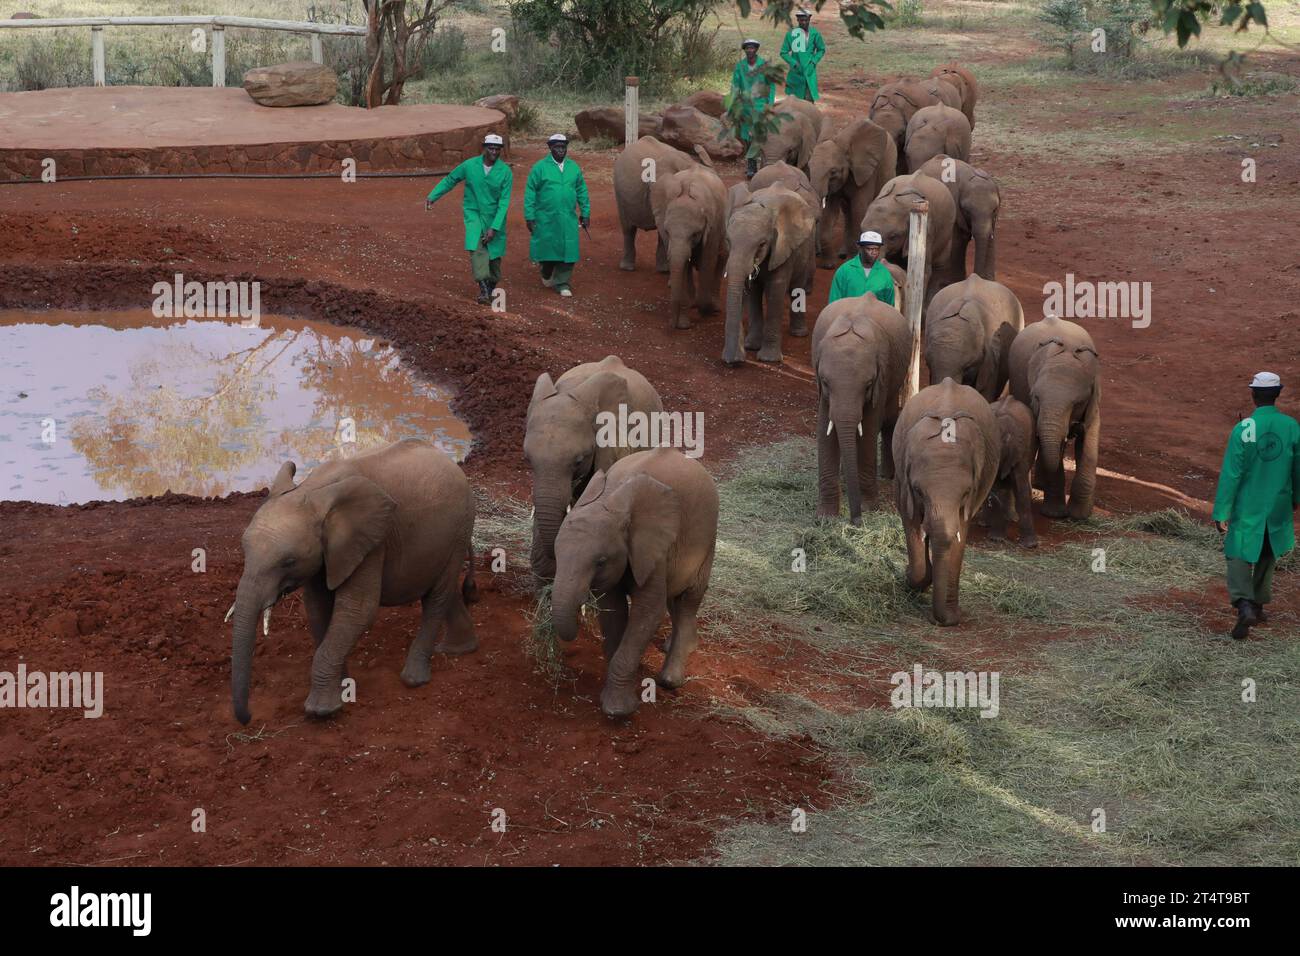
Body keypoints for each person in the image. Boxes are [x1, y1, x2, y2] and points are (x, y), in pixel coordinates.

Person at [1212, 372, 1300, 639]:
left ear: (1253, 395)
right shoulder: (1291, 426)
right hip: (1278, 502)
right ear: (1277, 394)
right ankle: (1259, 604)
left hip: (1248, 505)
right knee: (1267, 550)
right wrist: (1295, 499)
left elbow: (1232, 474)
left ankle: (1244, 603)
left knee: (1237, 550)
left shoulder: (1243, 428)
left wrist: (1222, 511)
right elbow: (1298, 469)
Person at [425, 133, 512, 305]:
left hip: (495, 217)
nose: (494, 151)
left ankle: (491, 285)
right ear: (484, 148)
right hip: (474, 214)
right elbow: (451, 179)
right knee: (476, 249)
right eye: (491, 148)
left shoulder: (505, 172)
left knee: (494, 258)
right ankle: (484, 292)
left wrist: (494, 228)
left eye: (497, 149)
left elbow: (504, 202)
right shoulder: (470, 165)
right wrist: (433, 196)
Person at [523, 133, 590, 298]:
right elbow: (530, 192)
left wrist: (585, 212)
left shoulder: (573, 167)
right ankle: (546, 270)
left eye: (563, 147)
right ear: (550, 148)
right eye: (557, 147)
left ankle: (562, 283)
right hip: (546, 217)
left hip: (568, 216)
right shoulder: (539, 168)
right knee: (547, 247)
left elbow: (582, 191)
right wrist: (529, 216)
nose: (561, 150)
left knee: (569, 248)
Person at [731, 39, 774, 180]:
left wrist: (770, 103)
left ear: (756, 49)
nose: (750, 50)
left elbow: (771, 86)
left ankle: (752, 166)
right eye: (747, 48)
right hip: (745, 106)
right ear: (744, 50)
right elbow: (735, 85)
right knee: (746, 136)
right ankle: (752, 163)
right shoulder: (740, 66)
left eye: (752, 48)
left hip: (760, 104)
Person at [827, 231, 895, 306]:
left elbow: (889, 305)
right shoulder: (844, 271)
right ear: (860, 248)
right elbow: (834, 302)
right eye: (869, 249)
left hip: (874, 317)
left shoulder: (885, 273)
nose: (874, 252)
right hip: (848, 316)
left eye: (877, 249)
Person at [780, 9, 825, 103]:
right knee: (795, 101)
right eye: (801, 20)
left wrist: (814, 61)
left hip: (809, 70)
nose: (804, 22)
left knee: (809, 100)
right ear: (797, 20)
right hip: (796, 72)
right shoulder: (791, 34)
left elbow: (821, 49)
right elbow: (783, 52)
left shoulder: (815, 34)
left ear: (809, 19)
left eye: (806, 20)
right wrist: (793, 62)